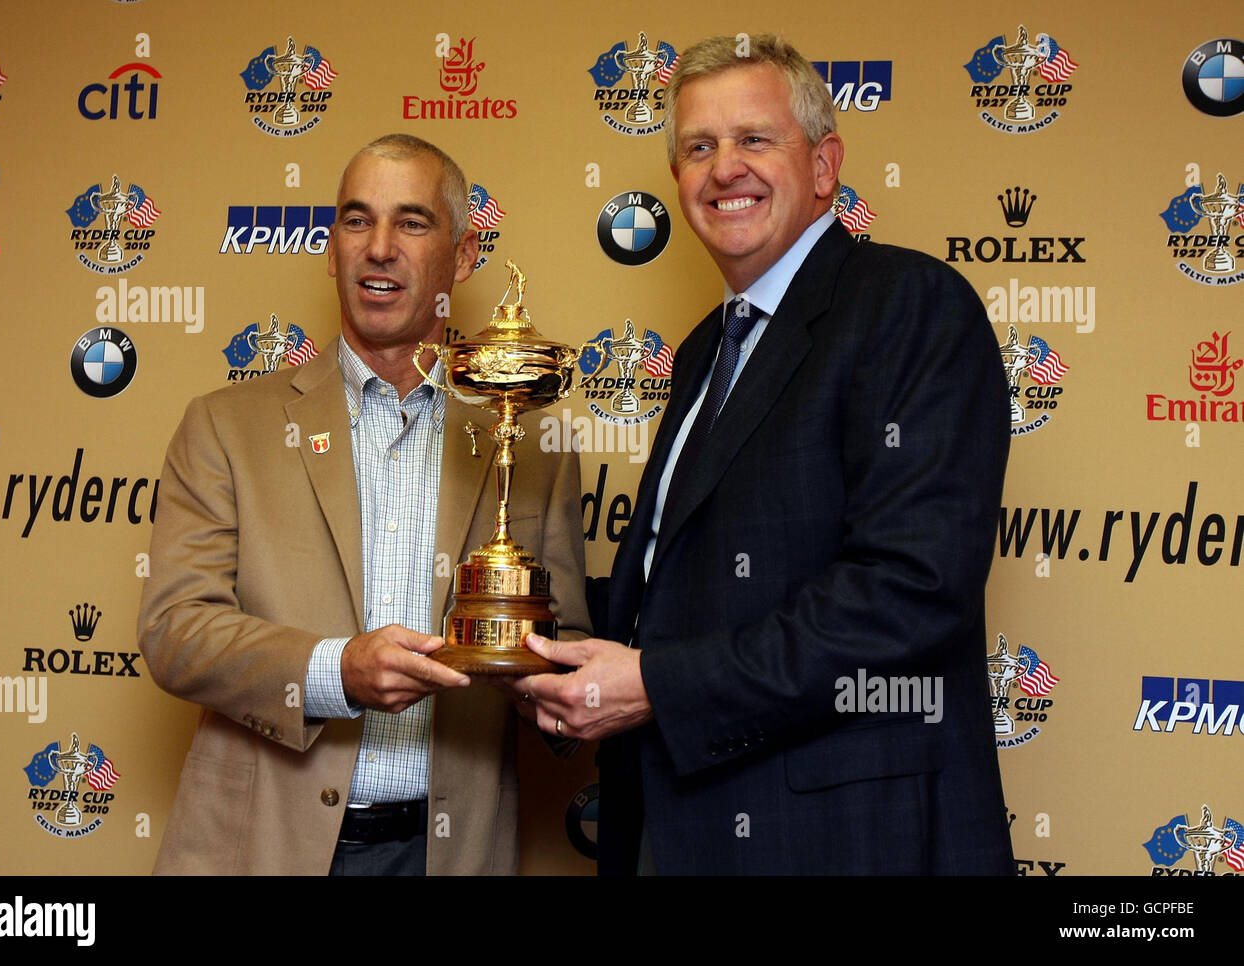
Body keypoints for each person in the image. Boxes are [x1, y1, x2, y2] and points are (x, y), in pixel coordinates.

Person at [515, 35, 1013, 874]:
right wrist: (525, 639)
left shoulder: (909, 305)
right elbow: (690, 597)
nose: (723, 169)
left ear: (825, 167)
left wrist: (658, 688)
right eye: (698, 148)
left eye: (755, 140)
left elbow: (910, 591)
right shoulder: (708, 349)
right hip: (679, 830)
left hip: (846, 840)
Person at [138, 134, 590, 875]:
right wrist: (334, 670)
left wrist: (544, 678)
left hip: (451, 854)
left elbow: (565, 647)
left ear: (465, 256)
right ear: (331, 247)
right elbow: (175, 631)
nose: (379, 247)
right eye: (356, 220)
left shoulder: (530, 440)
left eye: (412, 222)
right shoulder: (226, 425)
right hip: (262, 849)